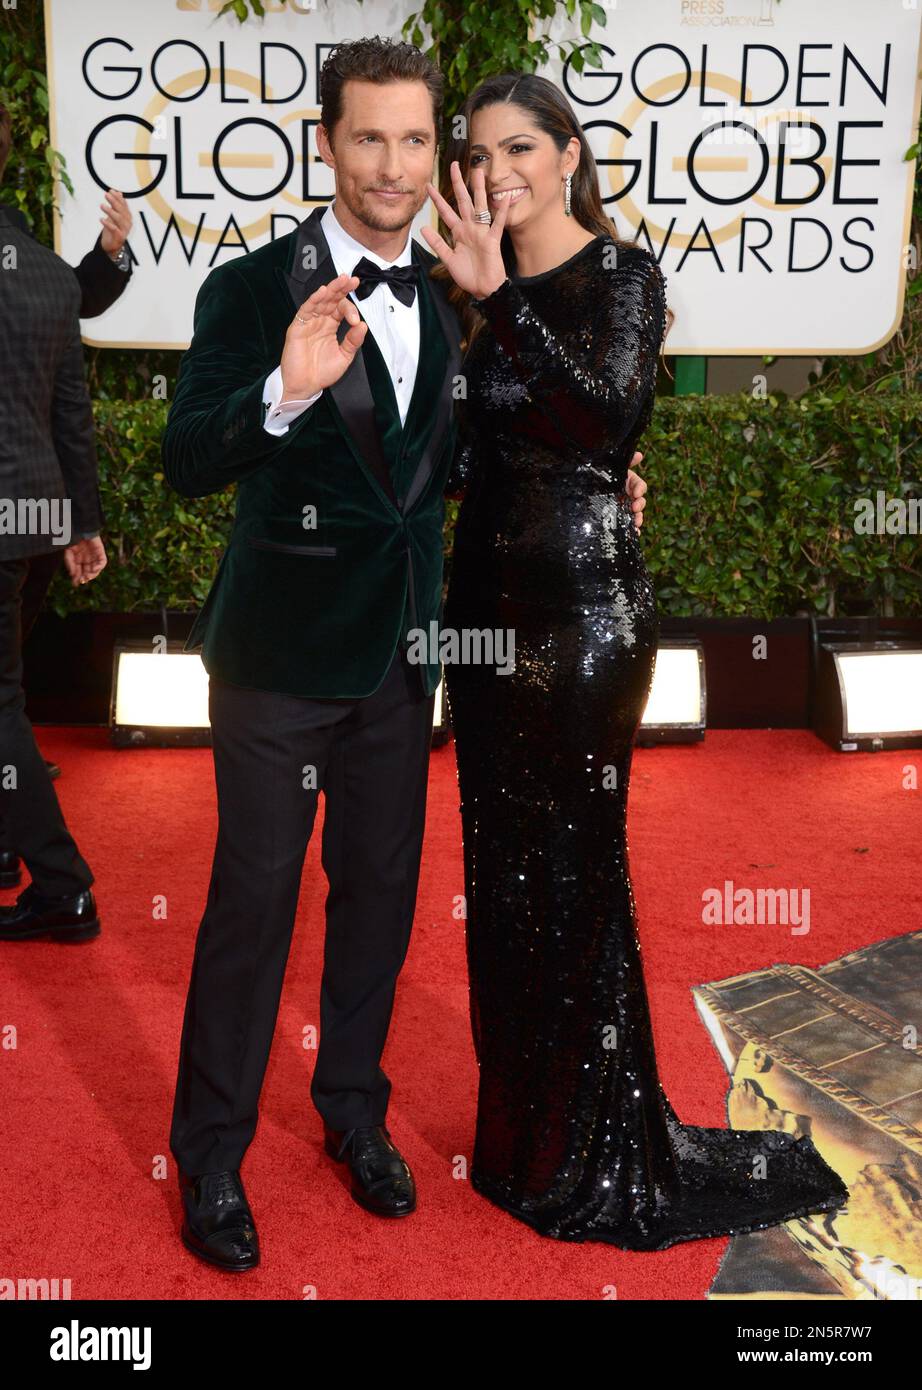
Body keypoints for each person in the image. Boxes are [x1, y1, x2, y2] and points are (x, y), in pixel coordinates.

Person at [161, 37, 652, 1272]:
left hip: (403, 663)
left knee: (377, 907)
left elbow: (473, 458)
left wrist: (604, 475)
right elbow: (185, 461)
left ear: (439, 152)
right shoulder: (247, 287)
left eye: (415, 139)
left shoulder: (452, 295)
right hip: (275, 662)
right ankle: (210, 1156)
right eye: (368, 137)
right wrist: (279, 392)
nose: (393, 163)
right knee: (251, 911)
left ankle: (352, 1113)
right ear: (326, 145)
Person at [423, 72, 850, 1250]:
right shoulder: (470, 288)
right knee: (504, 888)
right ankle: (528, 1144)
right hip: (486, 620)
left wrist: (499, 298)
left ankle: (589, 1153)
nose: (496, 171)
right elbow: (467, 467)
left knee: (568, 881)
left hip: (586, 621)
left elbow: (604, 417)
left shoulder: (622, 276)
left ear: (568, 155)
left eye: (519, 148)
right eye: (477, 154)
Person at [0, 101, 133, 890]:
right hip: (38, 521)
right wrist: (83, 522)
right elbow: (69, 414)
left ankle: (60, 882)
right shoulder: (46, 273)